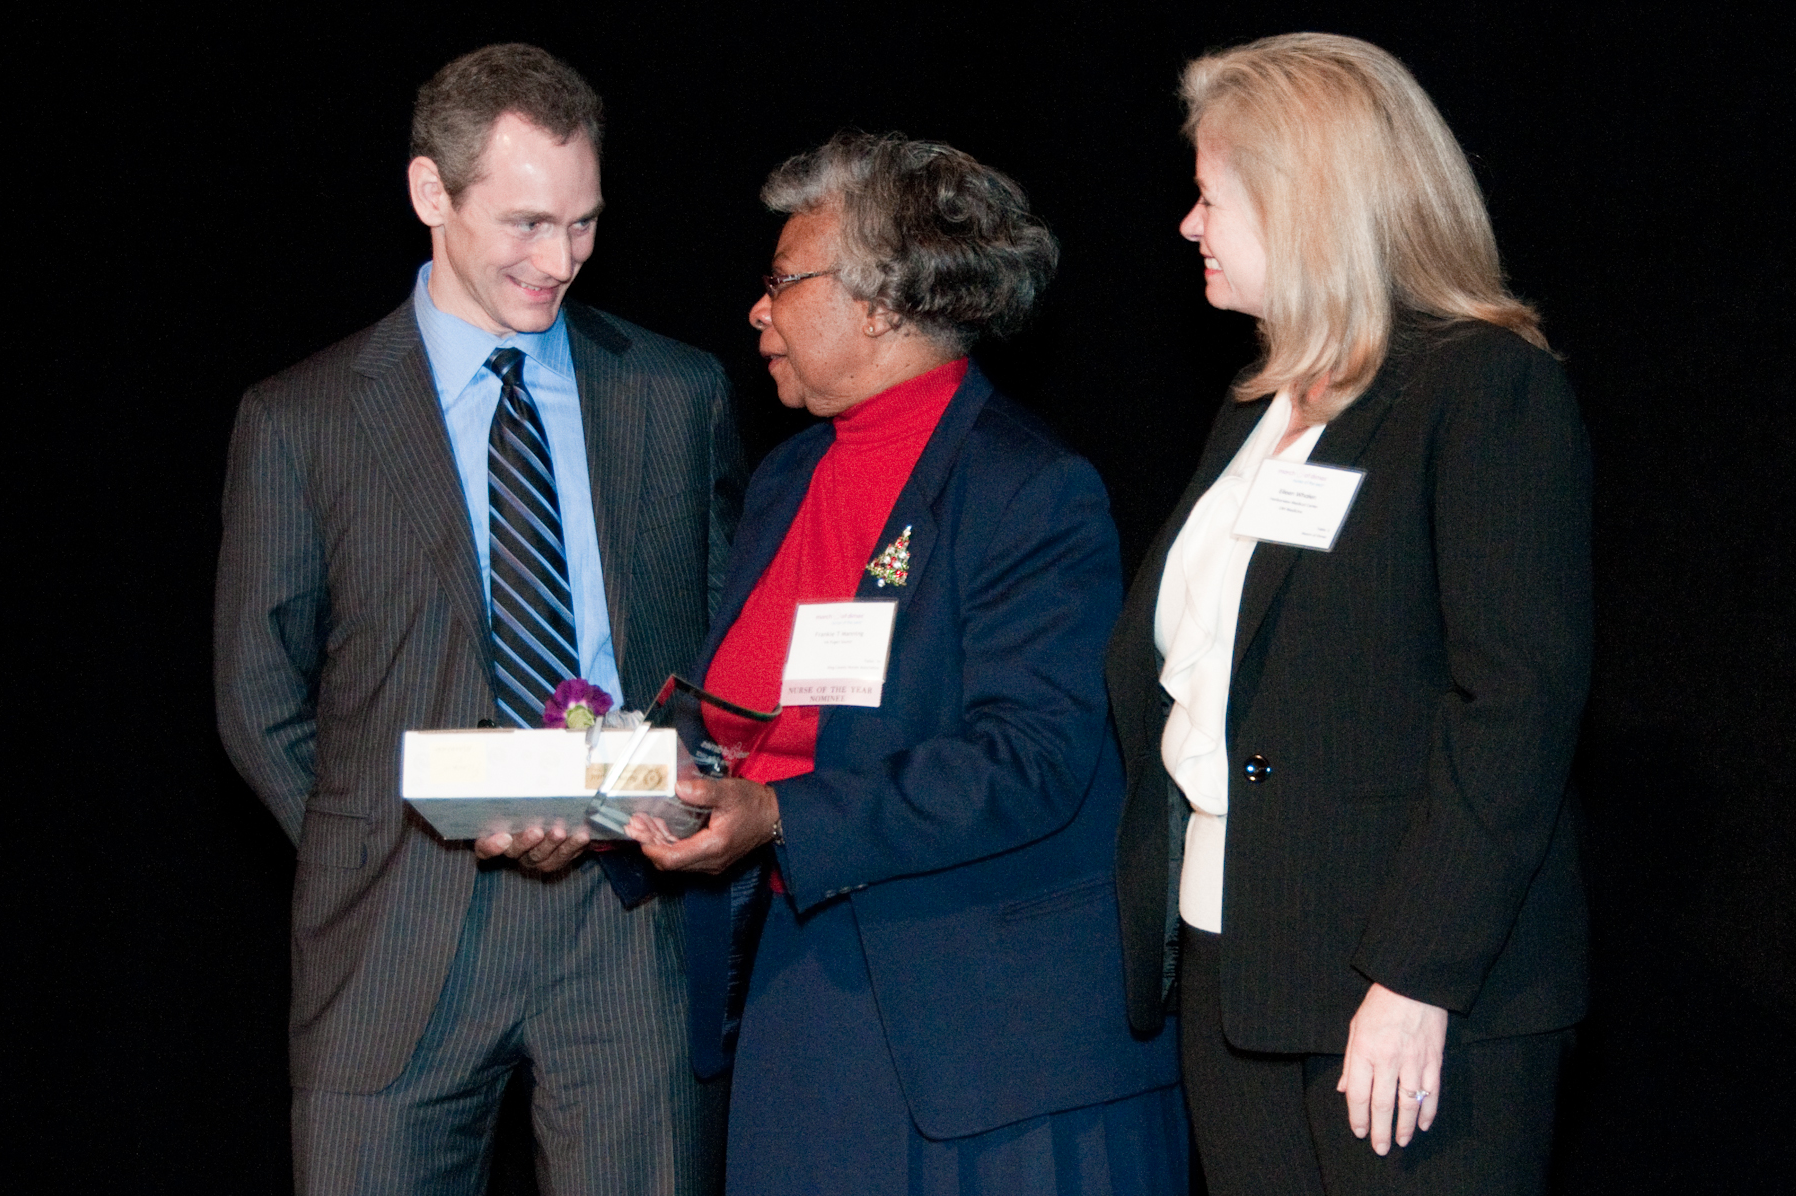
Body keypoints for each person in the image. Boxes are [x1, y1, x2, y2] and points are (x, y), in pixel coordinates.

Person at [213, 43, 744, 1195]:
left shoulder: (676, 391)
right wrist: (392, 847)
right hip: (393, 941)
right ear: (428, 194)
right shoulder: (301, 419)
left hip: (622, 921)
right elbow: (258, 696)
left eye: (586, 223)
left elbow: (715, 651)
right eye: (526, 223)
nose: (561, 260)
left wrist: (644, 795)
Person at [628, 132, 1185, 1195]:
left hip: (991, 1053)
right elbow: (740, 719)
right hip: (804, 1009)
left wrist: (783, 816)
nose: (759, 309)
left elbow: (1030, 757)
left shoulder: (1030, 488)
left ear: (882, 303)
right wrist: (599, 796)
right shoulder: (789, 478)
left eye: (783, 279)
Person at [1107, 33, 1591, 1195]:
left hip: (1411, 994)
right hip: (1237, 965)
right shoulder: (1260, 409)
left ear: (1305, 201)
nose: (1189, 226)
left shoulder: (1481, 388)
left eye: (1210, 195)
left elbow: (1514, 704)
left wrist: (1419, 975)